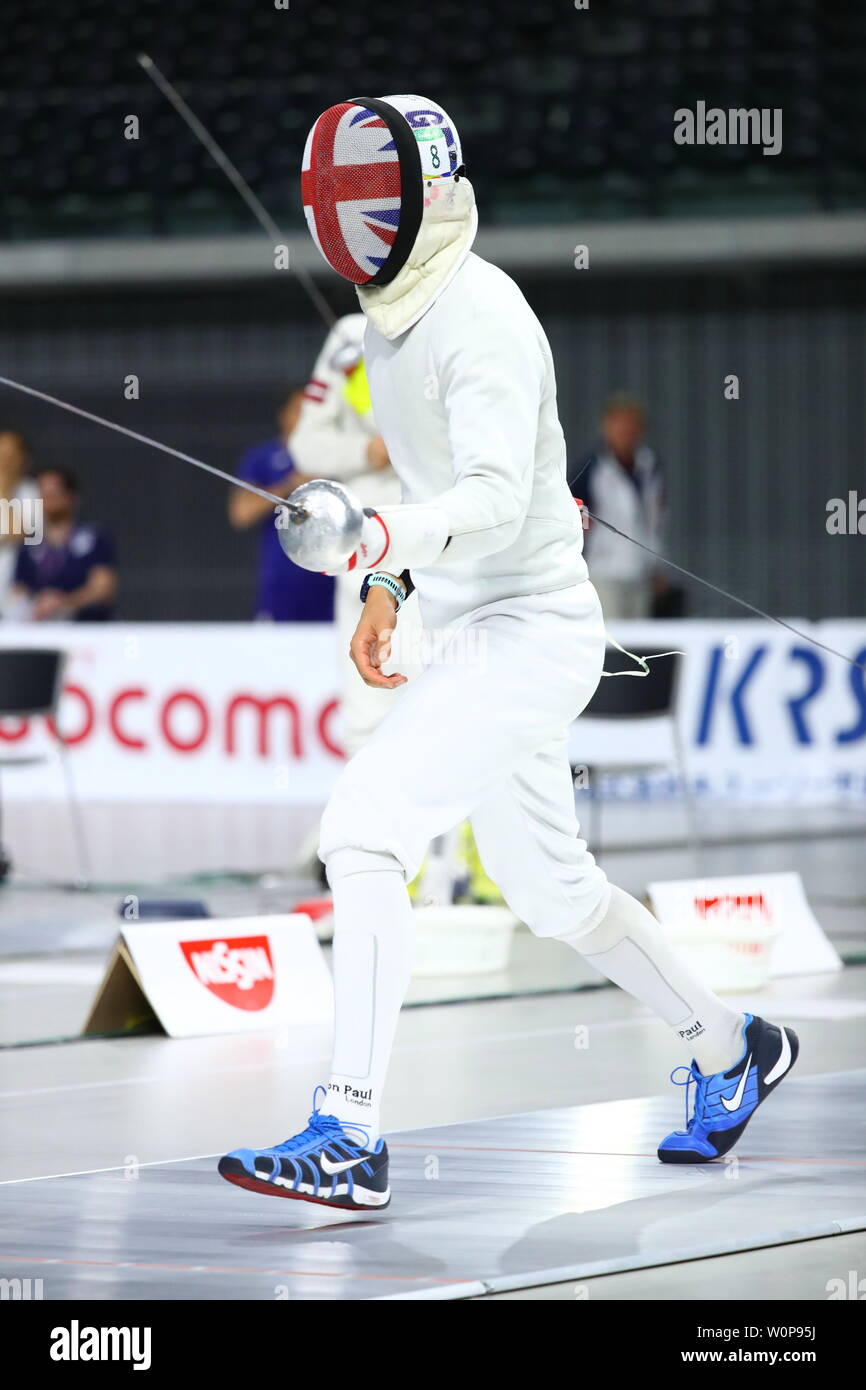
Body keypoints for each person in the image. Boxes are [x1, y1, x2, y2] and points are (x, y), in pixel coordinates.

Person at [219, 94, 797, 1210]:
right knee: (549, 887)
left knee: (362, 828)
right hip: (470, 625)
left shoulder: (480, 315)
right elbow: (438, 496)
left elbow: (485, 497)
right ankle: (733, 1047)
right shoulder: (388, 321)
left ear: (420, 196)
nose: (351, 220)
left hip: (528, 633)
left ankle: (347, 1128)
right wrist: (388, 583)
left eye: (368, 197)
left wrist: (376, 537)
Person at [228, 387, 334, 622]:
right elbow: (241, 513)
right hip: (280, 589)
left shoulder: (338, 458)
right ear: (284, 415)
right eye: (299, 411)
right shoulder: (263, 457)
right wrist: (291, 484)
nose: (306, 418)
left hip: (334, 586)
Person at [569, 396, 669, 619]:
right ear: (606, 427)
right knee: (611, 638)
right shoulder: (590, 468)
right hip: (603, 570)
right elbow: (575, 516)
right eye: (620, 425)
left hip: (641, 570)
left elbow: (655, 519)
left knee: (640, 642)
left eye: (632, 426)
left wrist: (657, 564)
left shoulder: (649, 466)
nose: (626, 432)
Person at [11, 465, 117, 621]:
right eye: (42, 493)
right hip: (41, 629)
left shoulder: (94, 539)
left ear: (72, 497)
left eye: (54, 493)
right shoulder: (29, 543)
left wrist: (64, 602)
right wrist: (33, 606)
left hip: (88, 628)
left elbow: (103, 589)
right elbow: (18, 591)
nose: (47, 499)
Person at [0, 432, 40, 619]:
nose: (5, 462)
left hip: (15, 583)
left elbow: (18, 534)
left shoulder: (31, 490)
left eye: (11, 456)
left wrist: (4, 490)